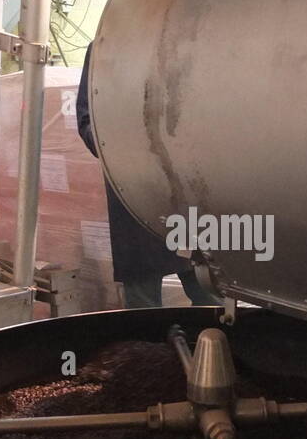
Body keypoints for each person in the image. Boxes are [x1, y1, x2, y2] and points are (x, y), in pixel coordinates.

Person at [74, 48, 218, 309]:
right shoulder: (107, 46)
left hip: (188, 191)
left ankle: (213, 349)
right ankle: (149, 351)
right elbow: (87, 119)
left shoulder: (185, 36)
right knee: (143, 306)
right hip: (134, 193)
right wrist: (123, 147)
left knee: (210, 296)